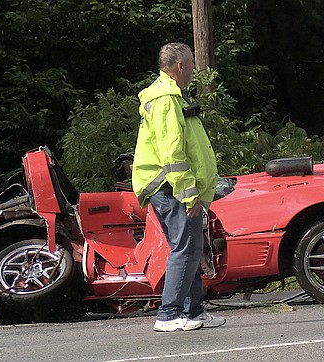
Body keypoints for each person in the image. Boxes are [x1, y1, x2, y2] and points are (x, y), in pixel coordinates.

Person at [132, 42, 225, 332]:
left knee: (189, 249)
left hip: (169, 186)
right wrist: (188, 193)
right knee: (186, 249)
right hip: (170, 187)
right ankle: (168, 314)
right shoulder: (166, 99)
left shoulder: (171, 96)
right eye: (192, 63)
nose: (195, 68)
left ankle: (193, 311)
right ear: (181, 66)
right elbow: (172, 153)